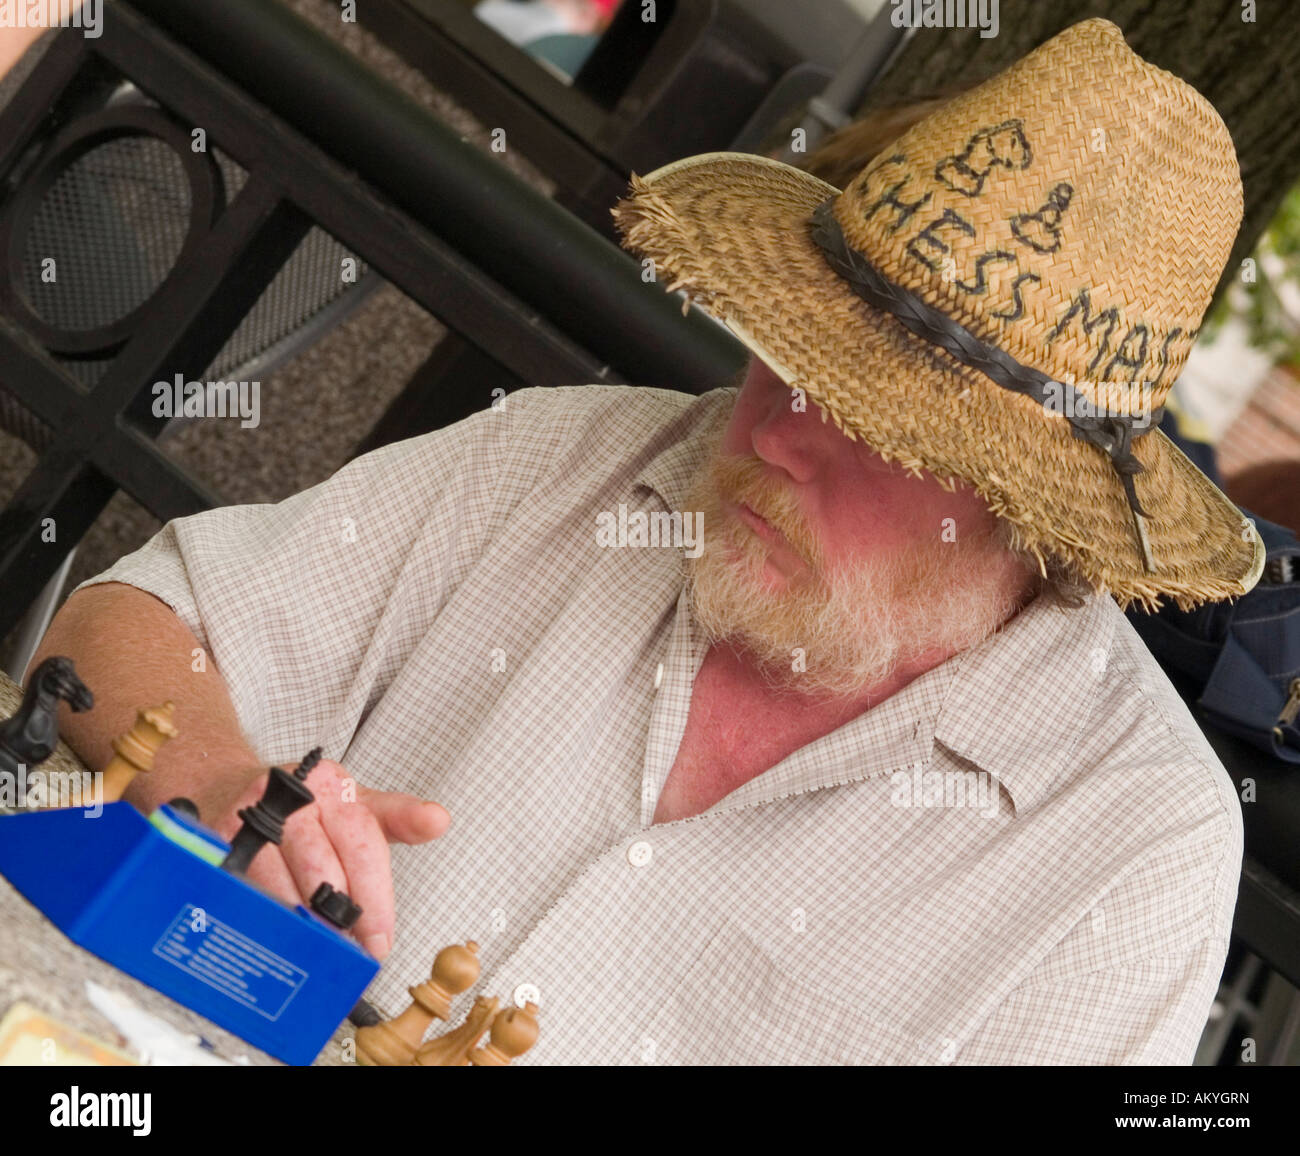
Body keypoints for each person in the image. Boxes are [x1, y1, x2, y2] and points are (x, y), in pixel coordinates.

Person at [31, 18, 1262, 1063]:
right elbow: (125, 624)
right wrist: (222, 785)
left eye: (875, 420)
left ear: (1022, 508)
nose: (778, 433)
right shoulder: (581, 460)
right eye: (790, 353)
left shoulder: (1132, 850)